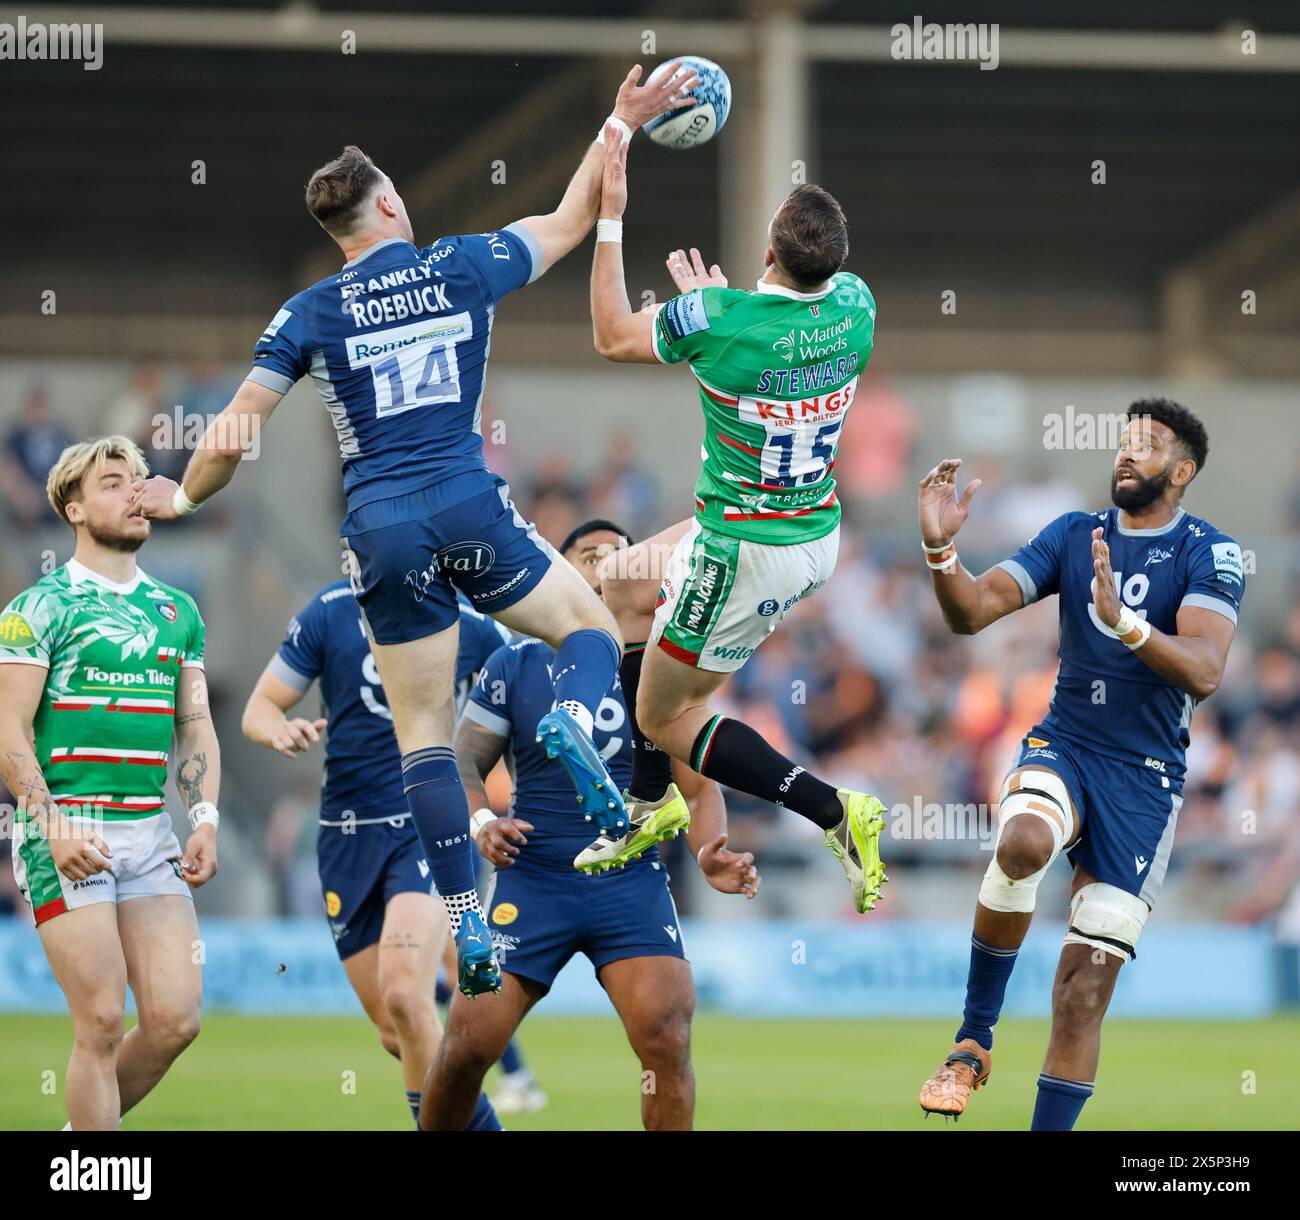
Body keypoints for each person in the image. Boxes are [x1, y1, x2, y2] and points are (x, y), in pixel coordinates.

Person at [130, 64, 702, 996]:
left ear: (337, 231)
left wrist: (184, 498)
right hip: (465, 497)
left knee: (424, 740)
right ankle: (563, 717)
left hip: (381, 527)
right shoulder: (461, 263)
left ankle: (468, 925)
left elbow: (237, 427)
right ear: (391, 203)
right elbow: (566, 220)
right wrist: (619, 125)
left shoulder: (308, 312)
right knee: (591, 629)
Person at [915, 399, 1246, 1129]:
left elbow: (1203, 670)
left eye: (1148, 446)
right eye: (1124, 443)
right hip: (1067, 743)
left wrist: (1125, 624)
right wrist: (943, 554)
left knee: (1082, 995)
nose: (1127, 454)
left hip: (1146, 781)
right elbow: (970, 611)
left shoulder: (1209, 551)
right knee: (1024, 840)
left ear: (1182, 471)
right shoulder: (1073, 535)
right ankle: (972, 1041)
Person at [583, 126, 886, 913]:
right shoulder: (855, 305)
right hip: (808, 526)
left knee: (665, 712)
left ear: (769, 252)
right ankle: (652, 806)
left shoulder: (720, 319)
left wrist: (610, 214)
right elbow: (772, 331)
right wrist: (725, 304)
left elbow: (613, 336)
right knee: (620, 585)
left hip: (745, 547)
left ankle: (834, 810)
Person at [420, 520, 759, 1131]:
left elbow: (701, 784)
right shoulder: (515, 662)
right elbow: (464, 759)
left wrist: (710, 850)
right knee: (468, 1046)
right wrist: (480, 821)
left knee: (666, 1036)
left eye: (620, 557)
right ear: (562, 572)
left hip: (630, 881)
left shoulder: (663, 669)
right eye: (590, 556)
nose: (607, 566)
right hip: (534, 878)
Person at [242, 579, 533, 1129]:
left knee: (405, 993)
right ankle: (481, 1113)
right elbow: (258, 708)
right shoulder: (327, 613)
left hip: (426, 825)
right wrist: (278, 729)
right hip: (343, 838)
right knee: (395, 1028)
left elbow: (519, 710)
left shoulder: (469, 626)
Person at [0, 436, 219, 1129]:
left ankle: (78, 1137)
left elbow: (194, 725)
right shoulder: (38, 606)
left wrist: (205, 815)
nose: (135, 493)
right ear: (73, 508)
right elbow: (7, 726)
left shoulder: (178, 612)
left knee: (176, 1019)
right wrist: (49, 822)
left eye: (141, 482)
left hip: (149, 831)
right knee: (98, 1020)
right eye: (114, 482)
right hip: (67, 826)